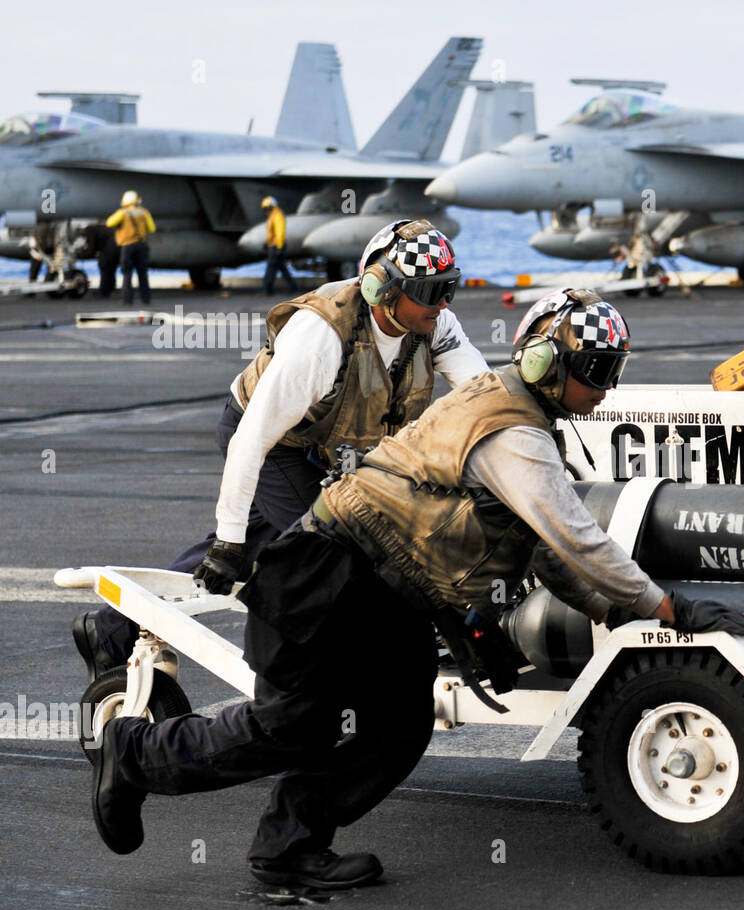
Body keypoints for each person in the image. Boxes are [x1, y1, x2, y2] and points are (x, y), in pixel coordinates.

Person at [88, 288, 744, 889]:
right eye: (597, 373)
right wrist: (667, 608)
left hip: (390, 592)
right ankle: (135, 753)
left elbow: (546, 555)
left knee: (397, 727)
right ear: (547, 364)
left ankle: (290, 847)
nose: (606, 390)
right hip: (331, 571)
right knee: (294, 725)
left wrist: (609, 611)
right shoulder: (511, 429)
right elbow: (575, 537)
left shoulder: (524, 421)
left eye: (614, 373)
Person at [72, 218, 489, 677]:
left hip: (326, 446)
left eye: (450, 287)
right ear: (381, 288)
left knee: (260, 544)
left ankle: (110, 629)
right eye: (430, 292)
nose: (443, 302)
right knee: (332, 545)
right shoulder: (322, 337)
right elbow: (253, 438)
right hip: (270, 441)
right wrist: (228, 541)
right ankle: (298, 669)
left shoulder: (436, 325)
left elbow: (483, 396)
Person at [106, 190, 154, 306]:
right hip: (142, 246)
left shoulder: (122, 213)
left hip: (127, 246)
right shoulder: (144, 212)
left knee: (127, 274)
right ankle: (146, 299)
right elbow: (152, 228)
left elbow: (109, 223)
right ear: (137, 200)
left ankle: (127, 300)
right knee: (142, 273)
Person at [260, 196, 295, 295]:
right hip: (273, 245)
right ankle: (293, 287)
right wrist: (267, 243)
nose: (266, 210)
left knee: (271, 268)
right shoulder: (272, 216)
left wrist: (279, 247)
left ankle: (268, 289)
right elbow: (271, 233)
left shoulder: (277, 216)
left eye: (267, 208)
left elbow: (280, 233)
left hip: (276, 246)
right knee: (281, 267)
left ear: (271, 207)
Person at [78, 223, 119, 297]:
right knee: (111, 269)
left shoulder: (89, 231)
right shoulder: (100, 228)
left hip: (108, 248)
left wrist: (80, 255)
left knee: (104, 268)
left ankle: (104, 292)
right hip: (118, 247)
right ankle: (111, 287)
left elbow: (91, 249)